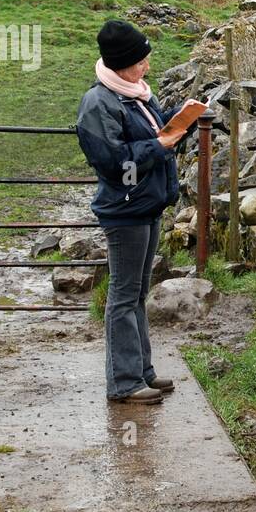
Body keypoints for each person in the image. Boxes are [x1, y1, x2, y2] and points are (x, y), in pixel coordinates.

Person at [76, 20, 199, 404]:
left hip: (147, 205)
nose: (147, 67)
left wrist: (182, 117)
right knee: (124, 295)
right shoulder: (99, 104)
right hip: (125, 210)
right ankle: (124, 382)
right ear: (120, 64)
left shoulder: (136, 94)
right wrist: (161, 146)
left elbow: (150, 134)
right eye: (140, 61)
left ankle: (142, 371)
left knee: (137, 292)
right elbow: (115, 163)